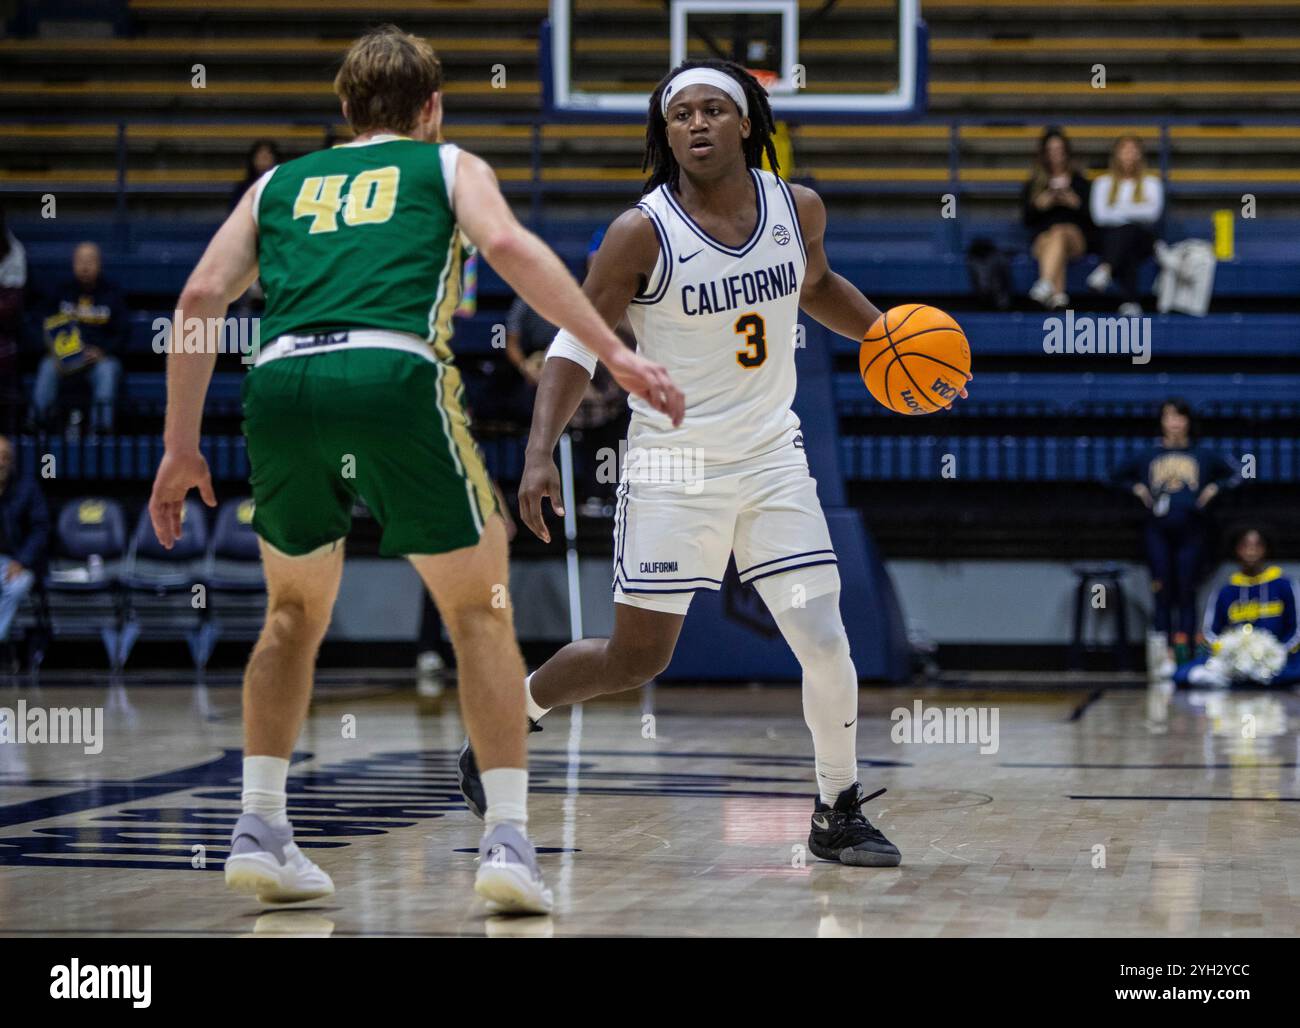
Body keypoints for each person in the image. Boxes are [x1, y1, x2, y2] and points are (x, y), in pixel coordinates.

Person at [146, 26, 682, 915]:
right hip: (393, 373)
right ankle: (507, 838)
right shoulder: (447, 166)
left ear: (344, 111)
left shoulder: (277, 182)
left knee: (288, 612)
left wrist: (179, 445)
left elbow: (201, 298)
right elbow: (508, 249)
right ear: (432, 109)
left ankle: (260, 825)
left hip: (281, 383)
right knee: (478, 606)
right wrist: (612, 357)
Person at [460, 58, 969, 868]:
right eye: (678, 115)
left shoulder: (795, 208)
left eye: (710, 111)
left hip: (771, 458)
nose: (694, 125)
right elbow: (574, 341)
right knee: (636, 659)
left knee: (824, 639)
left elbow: (818, 284)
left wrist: (893, 345)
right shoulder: (642, 232)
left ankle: (835, 811)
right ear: (665, 134)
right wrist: (537, 452)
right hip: (674, 467)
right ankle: (508, 716)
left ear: (744, 123)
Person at [1112, 398, 1240, 675]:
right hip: (1157, 530)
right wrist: (1136, 487)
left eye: (1180, 417)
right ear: (1161, 421)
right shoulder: (1148, 454)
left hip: (1192, 529)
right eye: (1169, 417)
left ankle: (1187, 657)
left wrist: (1214, 489)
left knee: (1186, 591)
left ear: (1189, 422)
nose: (1175, 424)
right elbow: (1112, 476)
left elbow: (1238, 473)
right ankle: (1161, 657)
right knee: (1161, 590)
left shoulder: (1202, 454)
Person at [1175, 524, 1300, 688]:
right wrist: (1232, 652)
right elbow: (1210, 632)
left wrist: (1274, 653)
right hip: (1234, 660)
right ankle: (1238, 677)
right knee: (1182, 674)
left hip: (1278, 659)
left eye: (1257, 546)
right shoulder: (1225, 590)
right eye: (1245, 546)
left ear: (1266, 549)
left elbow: (1296, 630)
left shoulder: (1284, 585)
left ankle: (1256, 678)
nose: (1251, 551)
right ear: (1236, 550)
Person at [30, 242, 127, 434]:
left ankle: (101, 430)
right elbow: (41, 323)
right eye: (80, 261)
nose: (84, 266)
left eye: (90, 261)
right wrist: (55, 349)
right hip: (63, 359)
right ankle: (37, 424)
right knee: (47, 366)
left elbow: (123, 333)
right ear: (73, 263)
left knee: (108, 370)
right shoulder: (61, 291)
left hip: (97, 359)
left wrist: (103, 351)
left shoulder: (112, 294)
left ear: (100, 264)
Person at [1087, 136, 1163, 316]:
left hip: (1142, 239)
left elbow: (1152, 214)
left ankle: (1106, 269)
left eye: (1133, 150)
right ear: (1116, 155)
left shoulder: (1151, 183)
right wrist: (1135, 210)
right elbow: (1099, 216)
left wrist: (1118, 209)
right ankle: (1130, 302)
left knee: (1129, 232)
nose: (1129, 155)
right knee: (1125, 239)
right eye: (1125, 150)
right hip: (1110, 240)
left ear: (1140, 155)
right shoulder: (1102, 183)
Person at [1021, 127, 1092, 310]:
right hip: (1043, 239)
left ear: (1067, 152)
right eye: (1051, 150)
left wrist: (1075, 203)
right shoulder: (1035, 183)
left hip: (1075, 238)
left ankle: (1045, 283)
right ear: (1044, 153)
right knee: (1052, 236)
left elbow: (1093, 219)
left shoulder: (1079, 181)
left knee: (1060, 231)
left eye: (1059, 149)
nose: (1056, 154)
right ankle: (1059, 297)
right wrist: (1040, 204)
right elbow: (1026, 220)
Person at [0, 435, 47, 651]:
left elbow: (40, 529)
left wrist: (22, 560)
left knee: (17, 586)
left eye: (6, 457)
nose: (1, 462)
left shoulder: (27, 488)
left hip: (16, 560)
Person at [0, 209, 26, 433]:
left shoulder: (12, 250)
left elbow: (11, 305)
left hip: (3, 331)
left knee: (6, 352)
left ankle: (10, 431)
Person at [229, 139, 281, 211]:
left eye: (268, 154)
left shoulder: (281, 187)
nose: (264, 157)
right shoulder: (243, 188)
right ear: (253, 159)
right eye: (260, 154)